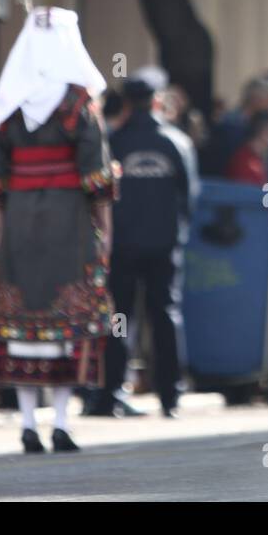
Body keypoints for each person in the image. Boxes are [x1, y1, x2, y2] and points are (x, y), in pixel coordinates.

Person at [0, 6, 117, 454]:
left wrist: (1, 233)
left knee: (20, 321)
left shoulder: (7, 103)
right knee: (65, 322)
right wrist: (105, 229)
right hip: (69, 222)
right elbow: (96, 179)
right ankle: (59, 423)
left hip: (19, 221)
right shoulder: (79, 104)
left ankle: (25, 423)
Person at [91, 66, 199, 419]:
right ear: (157, 100)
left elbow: (99, 194)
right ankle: (170, 396)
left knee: (119, 318)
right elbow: (190, 197)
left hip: (121, 246)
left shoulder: (114, 142)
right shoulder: (177, 142)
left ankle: (111, 394)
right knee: (166, 317)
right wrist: (176, 236)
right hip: (164, 247)